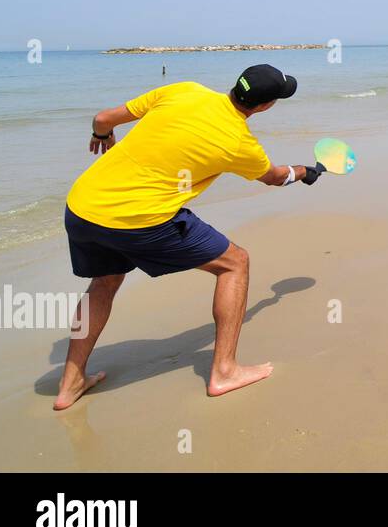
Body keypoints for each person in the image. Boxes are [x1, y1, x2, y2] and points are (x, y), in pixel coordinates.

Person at [57, 65, 319, 409]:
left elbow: (103, 119)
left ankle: (70, 384)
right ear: (265, 106)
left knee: (104, 282)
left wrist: (103, 137)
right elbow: (273, 177)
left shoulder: (184, 90)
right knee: (235, 263)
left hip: (82, 208)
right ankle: (224, 371)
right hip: (140, 221)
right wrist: (305, 171)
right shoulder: (240, 143)